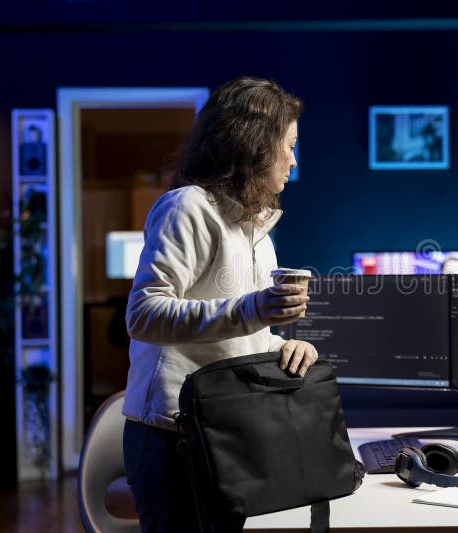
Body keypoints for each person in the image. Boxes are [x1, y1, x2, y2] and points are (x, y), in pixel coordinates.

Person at [121, 77, 318, 532]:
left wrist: (282, 346)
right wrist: (254, 310)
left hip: (227, 428)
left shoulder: (256, 225)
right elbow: (143, 314)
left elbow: (238, 323)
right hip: (173, 437)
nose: (293, 159)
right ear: (252, 145)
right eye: (287, 146)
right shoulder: (185, 208)